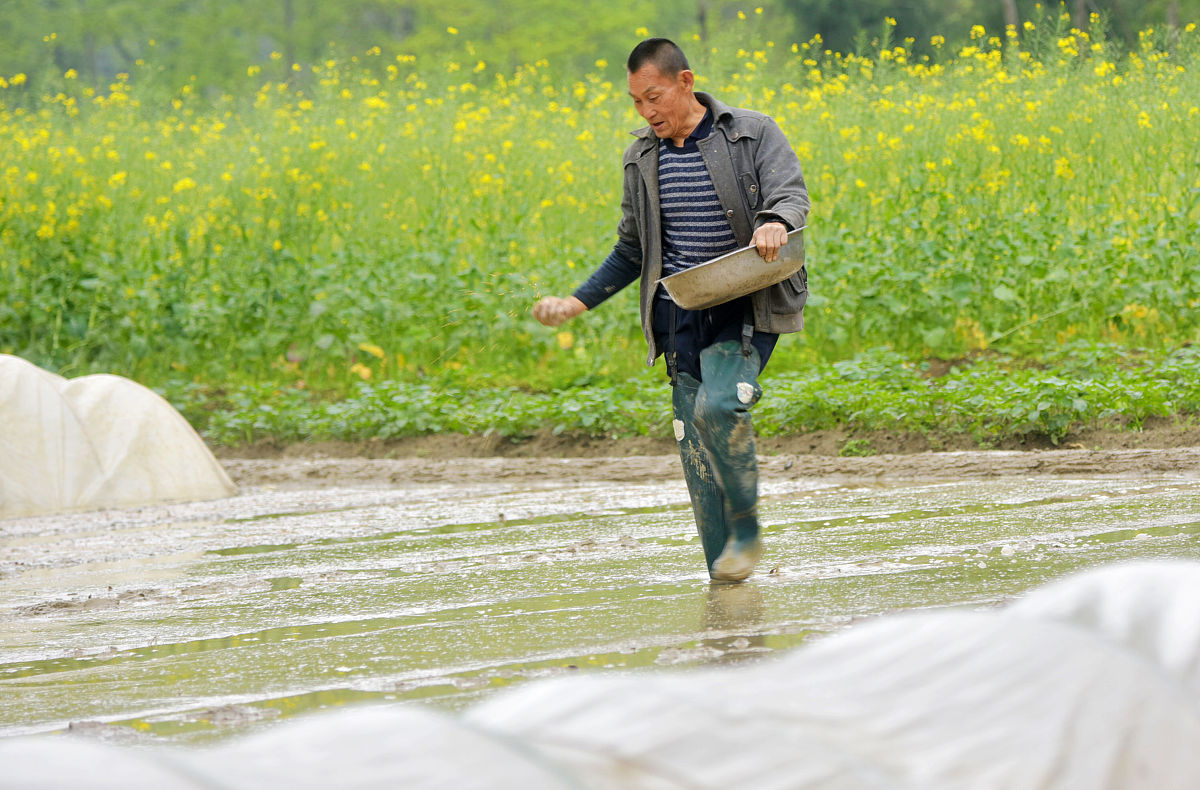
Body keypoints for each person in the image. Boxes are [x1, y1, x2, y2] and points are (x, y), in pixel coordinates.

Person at [533, 38, 809, 582]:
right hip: (678, 312)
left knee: (719, 407)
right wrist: (575, 302)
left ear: (685, 82)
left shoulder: (752, 132)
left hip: (744, 300)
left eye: (653, 97)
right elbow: (631, 250)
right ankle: (724, 581)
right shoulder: (641, 157)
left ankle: (747, 530)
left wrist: (775, 221)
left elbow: (790, 196)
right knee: (694, 445)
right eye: (636, 102)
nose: (646, 111)